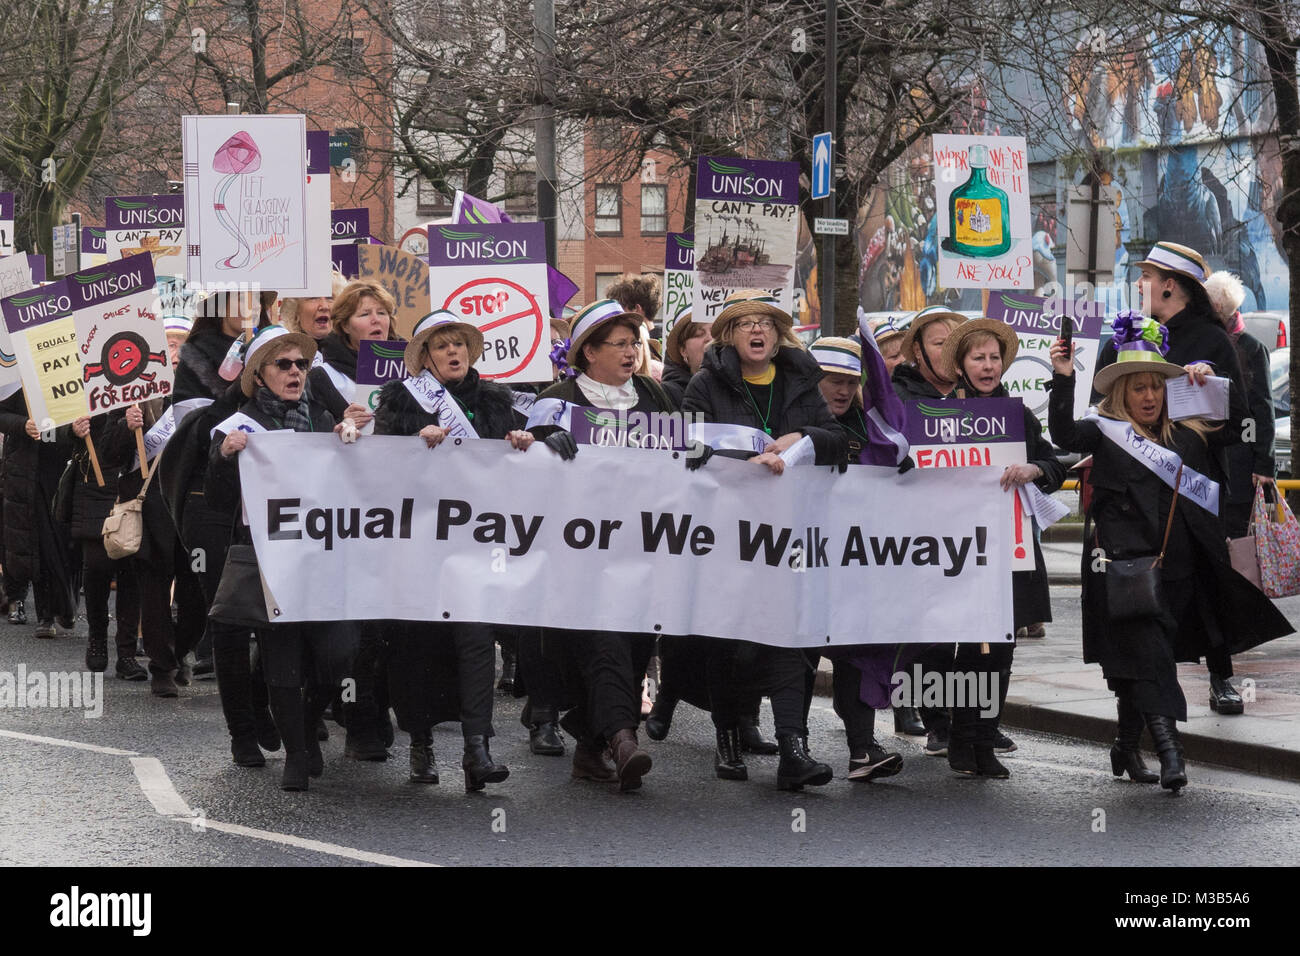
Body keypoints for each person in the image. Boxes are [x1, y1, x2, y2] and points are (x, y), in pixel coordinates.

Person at [1049, 316, 1292, 792]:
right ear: (1122, 393)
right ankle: (1169, 751)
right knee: (1150, 656)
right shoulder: (1104, 433)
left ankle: (1125, 743)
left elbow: (1240, 426)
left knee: (1139, 660)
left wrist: (1214, 385)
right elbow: (1062, 433)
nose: (1148, 397)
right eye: (1138, 388)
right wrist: (1062, 377)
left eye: (1156, 388)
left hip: (1181, 569)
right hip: (1123, 570)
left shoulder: (1188, 435)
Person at [681, 289, 846, 790]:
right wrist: (741, 465)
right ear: (731, 335)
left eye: (768, 324)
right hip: (727, 536)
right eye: (747, 323)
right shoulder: (705, 385)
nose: (759, 331)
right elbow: (684, 449)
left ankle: (794, 750)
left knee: (789, 640)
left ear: (777, 338)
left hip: (790, 537)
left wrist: (804, 440)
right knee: (731, 642)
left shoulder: (801, 382)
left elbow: (840, 443)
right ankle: (728, 735)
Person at [371, 310, 524, 789]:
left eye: (459, 344)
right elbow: (379, 471)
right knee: (416, 645)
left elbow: (523, 463)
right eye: (441, 346)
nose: (452, 352)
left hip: (477, 541)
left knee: (477, 641)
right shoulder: (399, 401)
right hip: (419, 544)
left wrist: (523, 441)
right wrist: (413, 445)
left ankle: (477, 748)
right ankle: (420, 742)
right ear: (426, 358)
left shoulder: (498, 399)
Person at [528, 298, 676, 790]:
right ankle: (622, 739)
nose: (632, 351)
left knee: (635, 646)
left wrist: (696, 452)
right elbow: (521, 461)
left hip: (643, 550)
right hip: (580, 555)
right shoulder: (558, 398)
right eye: (619, 343)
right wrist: (545, 440)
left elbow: (683, 452)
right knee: (604, 640)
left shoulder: (656, 397)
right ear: (588, 352)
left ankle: (592, 750)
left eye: (636, 342)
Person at [206, 326, 355, 791]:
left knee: (340, 657)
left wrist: (356, 437)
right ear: (258, 375)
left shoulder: (324, 420)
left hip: (329, 556)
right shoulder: (237, 428)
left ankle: (308, 720)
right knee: (282, 654)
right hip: (271, 561)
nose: (296, 372)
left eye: (302, 365)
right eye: (284, 364)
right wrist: (225, 459)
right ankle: (295, 750)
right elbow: (215, 500)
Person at [938, 317, 1066, 776]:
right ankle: (959, 739)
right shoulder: (941, 414)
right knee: (970, 650)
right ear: (961, 364)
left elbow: (1054, 463)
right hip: (961, 553)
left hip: (1013, 550)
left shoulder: (1018, 413)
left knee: (1003, 648)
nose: (988, 365)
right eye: (979, 357)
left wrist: (1035, 470)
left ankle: (984, 738)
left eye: (995, 357)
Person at [162, 289, 277, 763]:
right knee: (229, 618)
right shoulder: (193, 359)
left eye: (254, 302)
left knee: (278, 620)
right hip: (210, 498)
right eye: (237, 302)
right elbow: (197, 426)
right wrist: (236, 386)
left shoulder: (280, 353)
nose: (245, 310)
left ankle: (261, 700)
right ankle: (242, 730)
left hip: (274, 502)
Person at [809, 335, 906, 779]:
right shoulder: (793, 423)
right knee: (798, 656)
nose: (843, 390)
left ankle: (862, 749)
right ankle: (792, 745)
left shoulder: (871, 428)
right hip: (801, 566)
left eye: (851, 380)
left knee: (859, 652)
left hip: (858, 566)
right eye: (833, 380)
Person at [889, 305, 966, 757]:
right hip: (917, 530)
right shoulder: (899, 397)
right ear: (916, 351)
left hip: (969, 530)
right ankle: (937, 720)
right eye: (940, 342)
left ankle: (973, 719)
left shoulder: (977, 392)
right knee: (930, 627)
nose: (951, 352)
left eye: (957, 342)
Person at [1202, 271, 1275, 715]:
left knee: (1236, 550)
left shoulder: (1251, 349)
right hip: (1208, 464)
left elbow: (1262, 408)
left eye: (1223, 313)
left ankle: (1232, 629)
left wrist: (1263, 466)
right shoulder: (1205, 345)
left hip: (1241, 466)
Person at [64, 415, 143, 679]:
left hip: (134, 486)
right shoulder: (87, 378)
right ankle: (97, 637)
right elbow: (65, 410)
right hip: (94, 486)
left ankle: (127, 653)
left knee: (131, 572)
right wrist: (73, 430)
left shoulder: (147, 388)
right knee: (97, 569)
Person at [0, 391, 77, 635]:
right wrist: (23, 425)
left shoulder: (72, 368)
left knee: (68, 542)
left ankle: (66, 603)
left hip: (69, 467)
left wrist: (76, 429)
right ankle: (46, 614)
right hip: (29, 470)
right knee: (41, 542)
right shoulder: (16, 378)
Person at [307, 280, 398, 425]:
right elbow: (315, 437)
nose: (376, 320)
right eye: (364, 314)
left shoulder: (410, 371)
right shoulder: (322, 378)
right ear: (345, 326)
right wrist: (342, 424)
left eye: (382, 313)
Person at [659, 304, 711, 406]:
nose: (709, 338)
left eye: (716, 332)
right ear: (683, 350)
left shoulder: (740, 389)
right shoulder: (667, 397)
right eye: (699, 334)